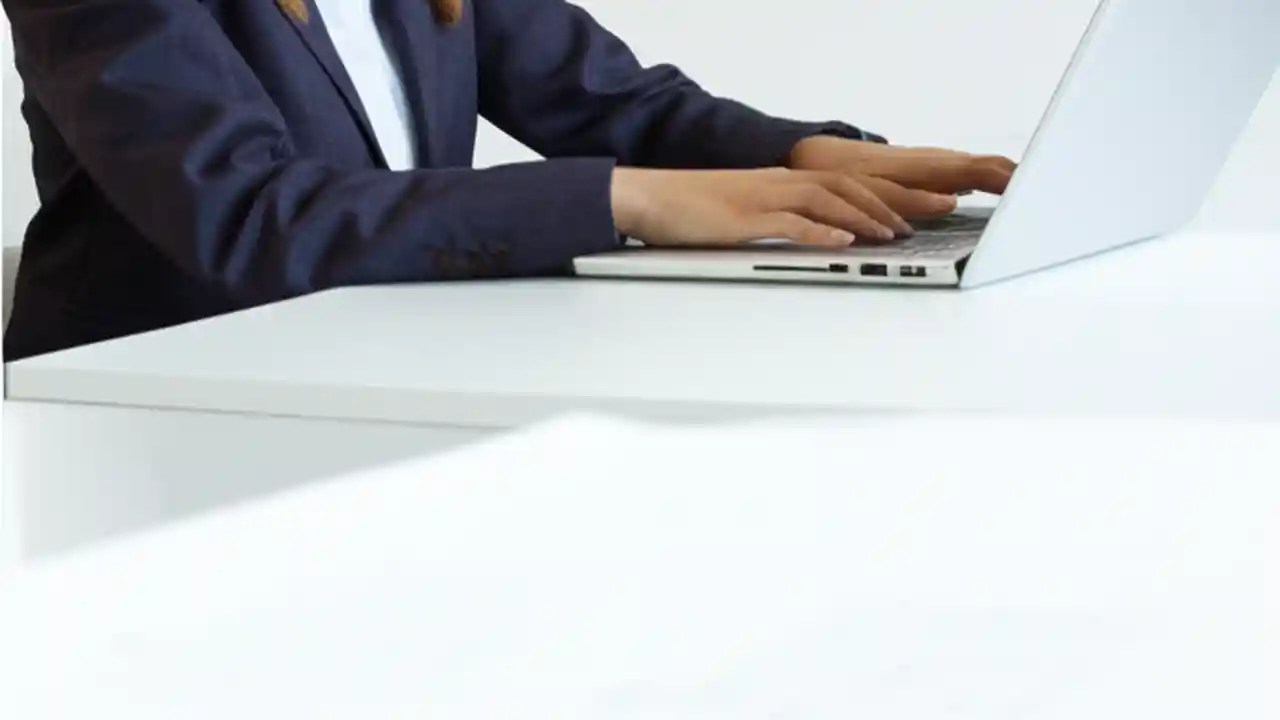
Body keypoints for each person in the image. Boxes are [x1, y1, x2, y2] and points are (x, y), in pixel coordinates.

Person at [2, 0, 1015, 360]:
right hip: (143, 408)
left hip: (369, 366)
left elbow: (616, 104)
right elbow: (248, 215)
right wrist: (623, 199)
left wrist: (806, 155)